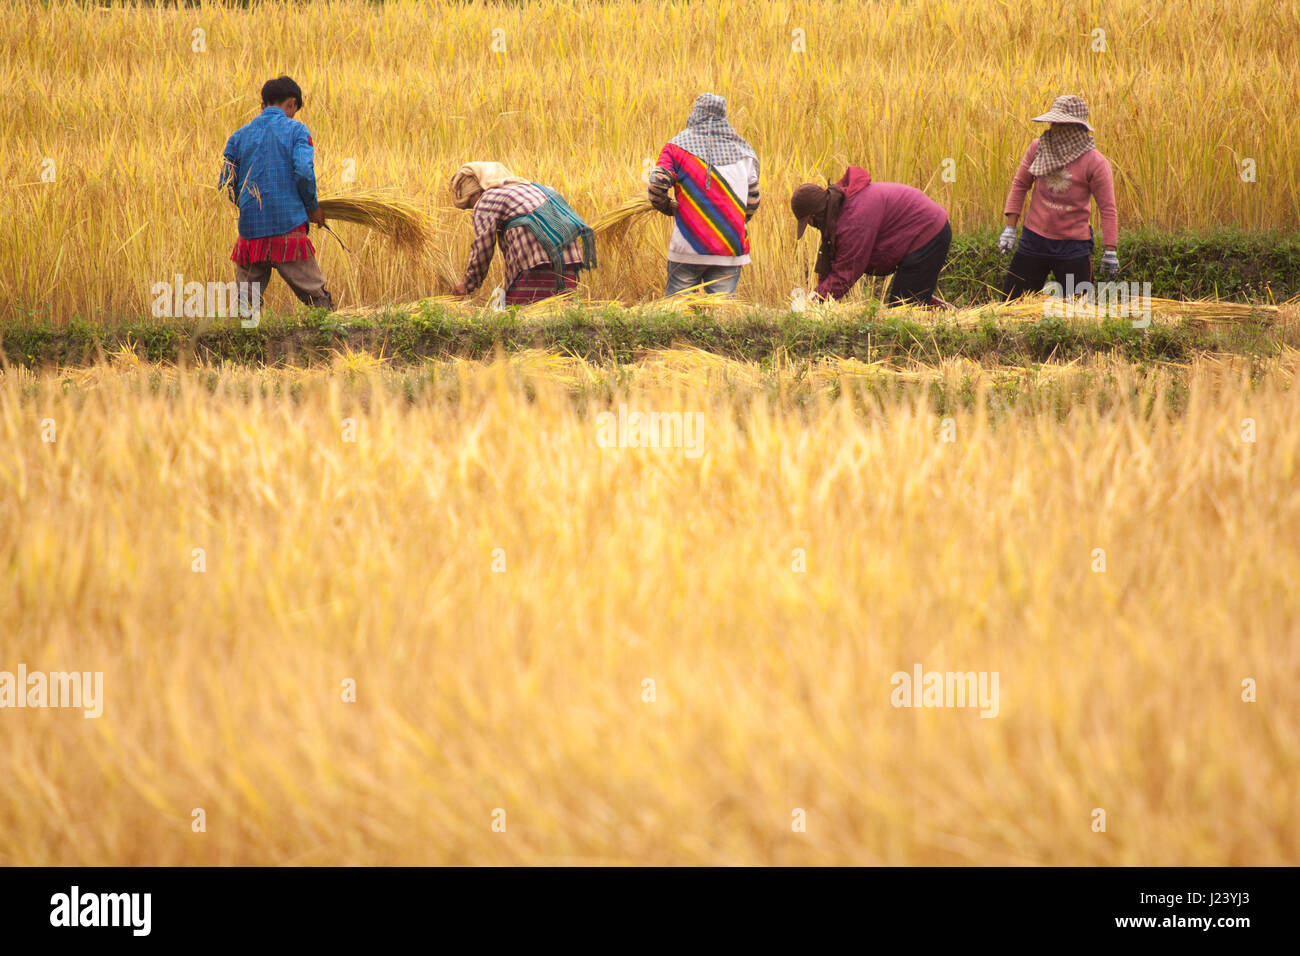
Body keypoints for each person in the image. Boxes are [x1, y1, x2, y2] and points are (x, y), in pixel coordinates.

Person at [219, 75, 332, 312]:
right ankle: (328, 346)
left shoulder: (237, 137)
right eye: (294, 109)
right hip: (288, 230)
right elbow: (303, 172)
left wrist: (249, 206)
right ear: (291, 104)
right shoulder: (297, 131)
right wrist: (312, 207)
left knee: (246, 309)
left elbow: (227, 183)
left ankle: (247, 349)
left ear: (263, 105)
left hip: (251, 236)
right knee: (319, 301)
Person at [998, 95, 1119, 298]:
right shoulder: (1038, 148)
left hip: (1073, 246)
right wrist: (1010, 228)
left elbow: (1107, 208)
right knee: (1012, 303)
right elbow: (1020, 184)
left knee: (1079, 310)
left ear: (1078, 128)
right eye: (1055, 123)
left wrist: (1110, 249)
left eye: (1065, 125)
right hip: (1033, 239)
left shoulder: (1095, 162)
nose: (1058, 130)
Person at [647, 93, 760, 296]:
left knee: (677, 316)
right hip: (730, 247)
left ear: (695, 114)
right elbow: (752, 202)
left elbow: (656, 187)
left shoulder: (675, 148)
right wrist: (731, 222)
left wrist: (670, 208)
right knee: (722, 319)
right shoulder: (745, 153)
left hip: (687, 248)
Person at [790, 167, 951, 305]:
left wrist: (815, 301)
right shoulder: (837, 209)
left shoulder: (853, 219)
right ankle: (943, 310)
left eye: (809, 221)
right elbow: (832, 261)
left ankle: (951, 320)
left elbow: (845, 273)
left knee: (903, 309)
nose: (812, 226)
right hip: (921, 232)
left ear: (815, 214)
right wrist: (818, 295)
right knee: (908, 297)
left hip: (928, 233)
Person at [449, 162, 595, 305]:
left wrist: (469, 284)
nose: (474, 207)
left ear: (478, 191)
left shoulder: (487, 198)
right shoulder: (535, 188)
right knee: (561, 311)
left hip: (535, 263)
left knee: (521, 312)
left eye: (471, 202)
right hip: (569, 259)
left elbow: (483, 246)